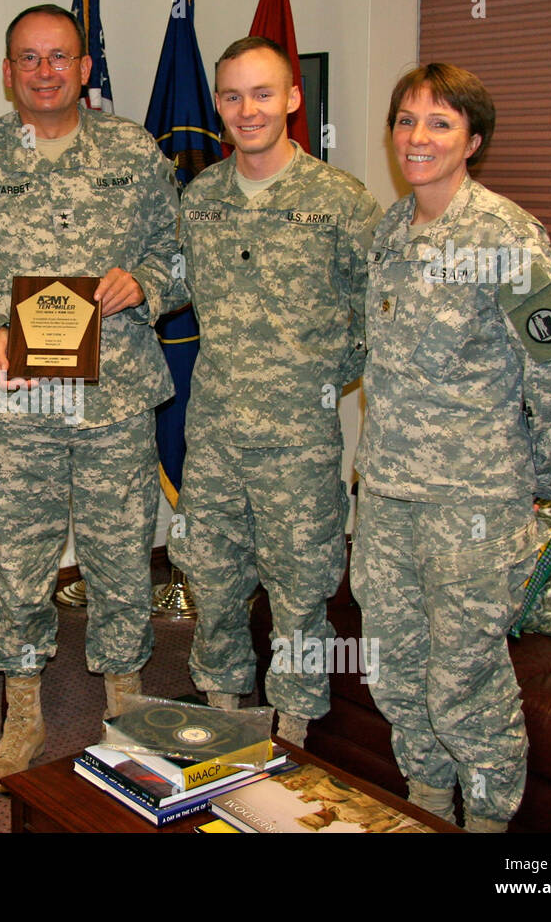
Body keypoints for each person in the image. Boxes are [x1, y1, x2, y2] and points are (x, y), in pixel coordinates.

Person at [0, 3, 183, 792]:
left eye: (59, 57)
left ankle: (126, 705)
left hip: (115, 401)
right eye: (27, 59)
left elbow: (179, 252)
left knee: (121, 562)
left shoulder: (135, 153)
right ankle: (23, 711)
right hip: (14, 404)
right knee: (20, 564)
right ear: (8, 72)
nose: (44, 71)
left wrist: (150, 283)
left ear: (84, 68)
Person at [351, 63, 551, 831]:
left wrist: (533, 473)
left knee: (464, 679)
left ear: (472, 141)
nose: (417, 138)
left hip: (472, 507)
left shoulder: (504, 235)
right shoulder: (389, 230)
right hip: (386, 496)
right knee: (393, 666)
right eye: (407, 120)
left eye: (440, 123)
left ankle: (487, 822)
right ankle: (426, 805)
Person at [168, 37, 382, 747]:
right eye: (231, 95)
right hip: (217, 440)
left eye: (263, 93)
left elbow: (373, 317)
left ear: (292, 99)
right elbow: (169, 288)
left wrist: (313, 375)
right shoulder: (199, 200)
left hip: (299, 445)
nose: (245, 109)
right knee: (215, 587)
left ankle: (292, 737)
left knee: (300, 595)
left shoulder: (343, 201)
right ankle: (223, 722)